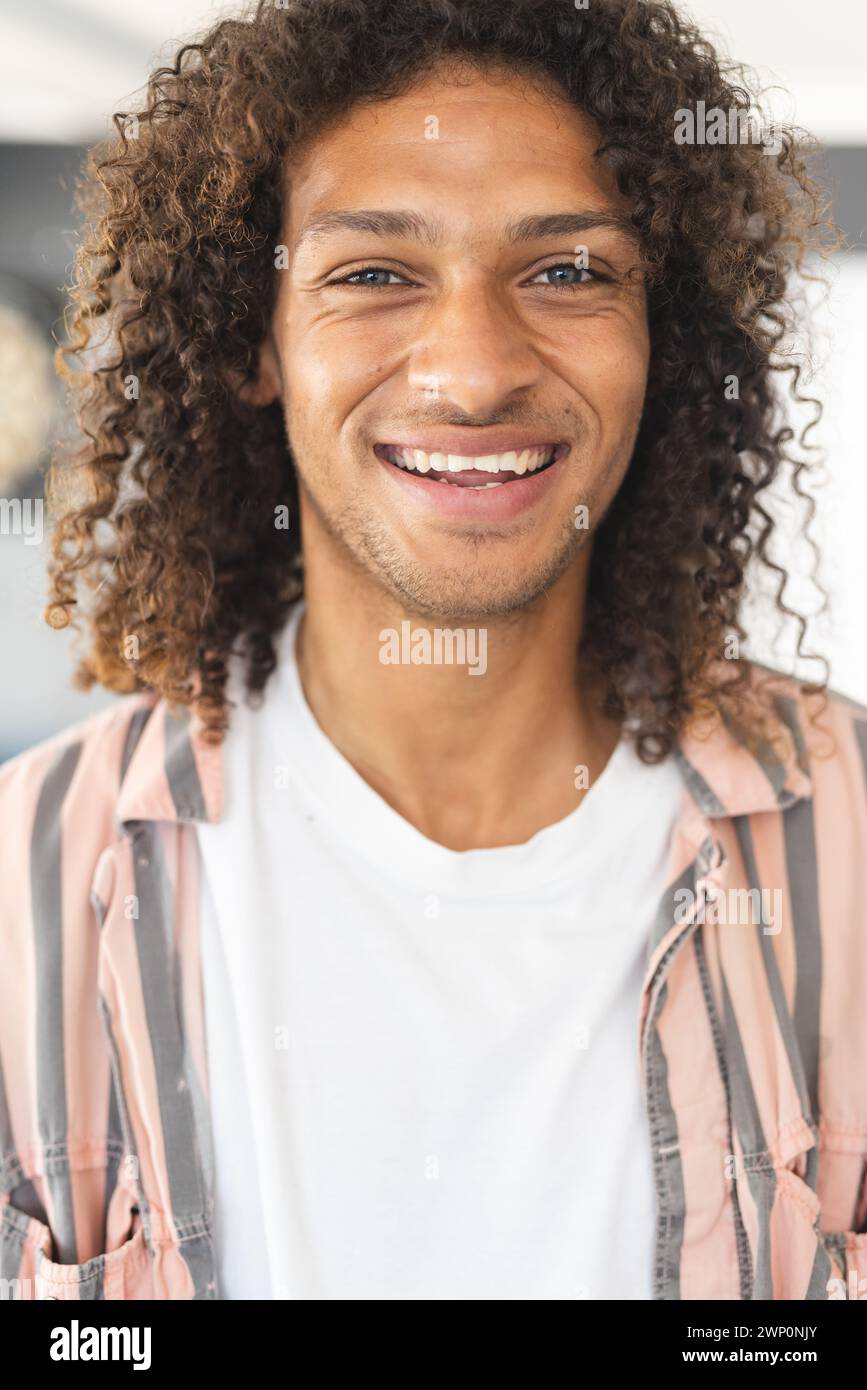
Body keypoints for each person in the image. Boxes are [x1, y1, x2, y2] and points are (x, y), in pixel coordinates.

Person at [1, 0, 865, 1302]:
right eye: (373, 273)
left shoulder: (852, 832)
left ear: (661, 339)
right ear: (255, 342)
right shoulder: (29, 878)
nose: (472, 373)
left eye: (568, 270)